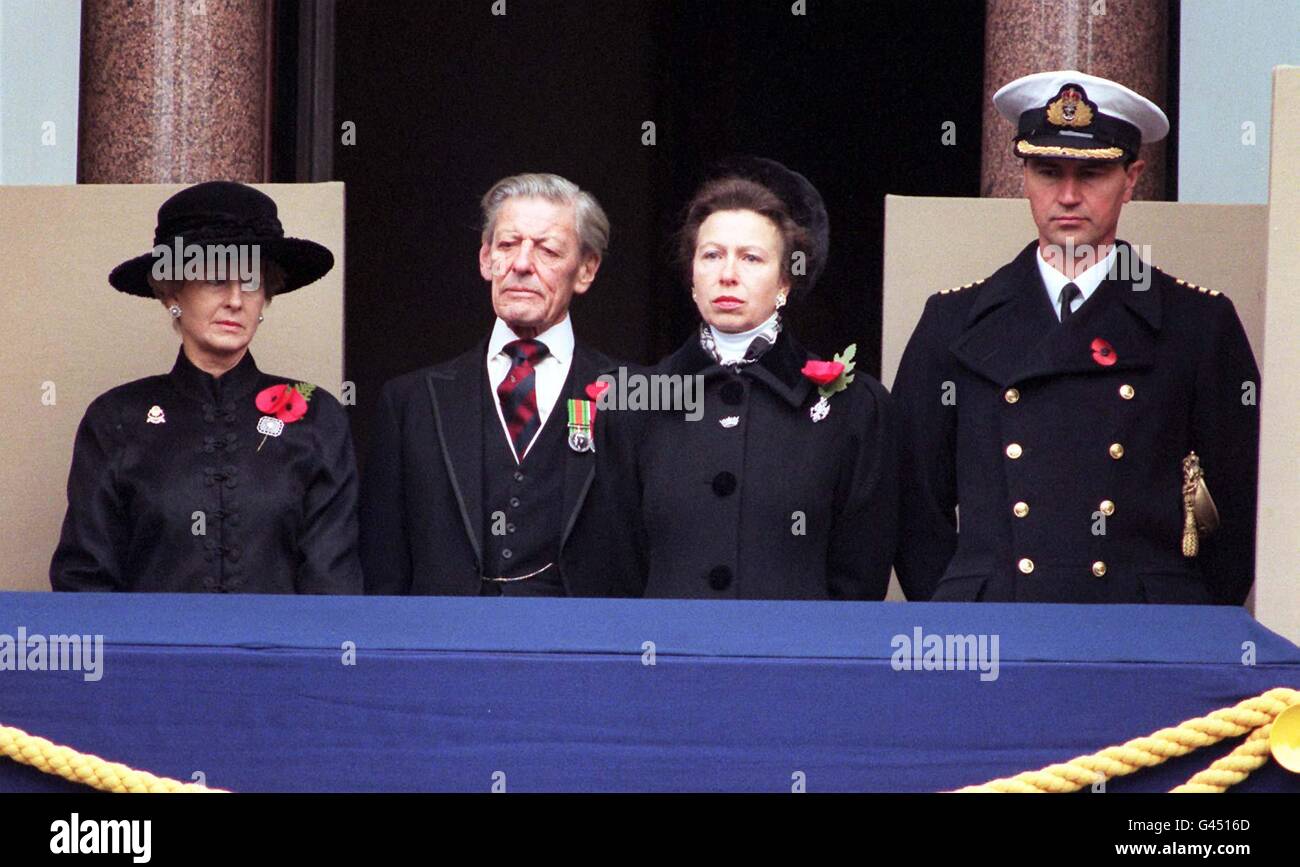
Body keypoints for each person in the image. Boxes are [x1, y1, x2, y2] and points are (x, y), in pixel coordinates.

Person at [892, 71, 1260, 605]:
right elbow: (915, 506)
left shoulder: (1198, 324)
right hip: (998, 627)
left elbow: (1238, 503)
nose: (1067, 195)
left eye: (1091, 173)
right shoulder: (952, 322)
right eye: (1048, 171)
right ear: (1024, 177)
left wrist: (1189, 628)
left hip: (1141, 633)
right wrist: (962, 612)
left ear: (1131, 179)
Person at [600, 158, 897, 599]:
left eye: (751, 258)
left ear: (785, 282)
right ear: (692, 276)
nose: (728, 274)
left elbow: (859, 575)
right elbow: (618, 566)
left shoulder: (853, 408)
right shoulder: (633, 402)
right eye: (712, 255)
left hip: (795, 662)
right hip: (667, 659)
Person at [50, 181, 361, 593]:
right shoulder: (116, 419)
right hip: (149, 656)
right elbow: (84, 583)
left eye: (251, 280)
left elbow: (332, 587)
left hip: (278, 656)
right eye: (215, 278)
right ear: (172, 292)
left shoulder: (315, 415)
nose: (235, 299)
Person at [361, 173, 635, 597]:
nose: (522, 264)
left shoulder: (632, 398)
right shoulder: (410, 402)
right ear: (486, 259)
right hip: (443, 650)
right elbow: (383, 567)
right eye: (507, 245)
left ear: (586, 270)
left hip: (578, 651)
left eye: (547, 250)